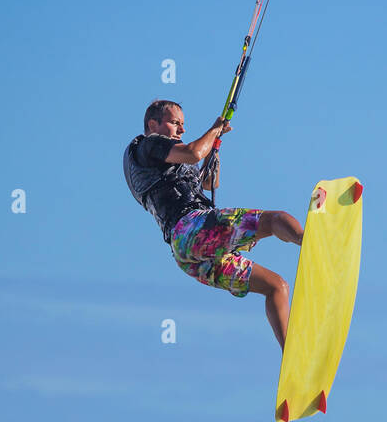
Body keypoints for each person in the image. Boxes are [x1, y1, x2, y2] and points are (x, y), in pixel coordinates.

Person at [123, 100, 302, 350]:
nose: (182, 130)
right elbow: (195, 152)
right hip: (192, 228)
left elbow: (208, 182)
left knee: (276, 286)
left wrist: (215, 148)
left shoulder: (159, 161)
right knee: (275, 219)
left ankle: (292, 356)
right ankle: (311, 242)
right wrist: (214, 130)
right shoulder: (149, 143)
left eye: (183, 125)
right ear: (153, 124)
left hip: (187, 254)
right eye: (175, 123)